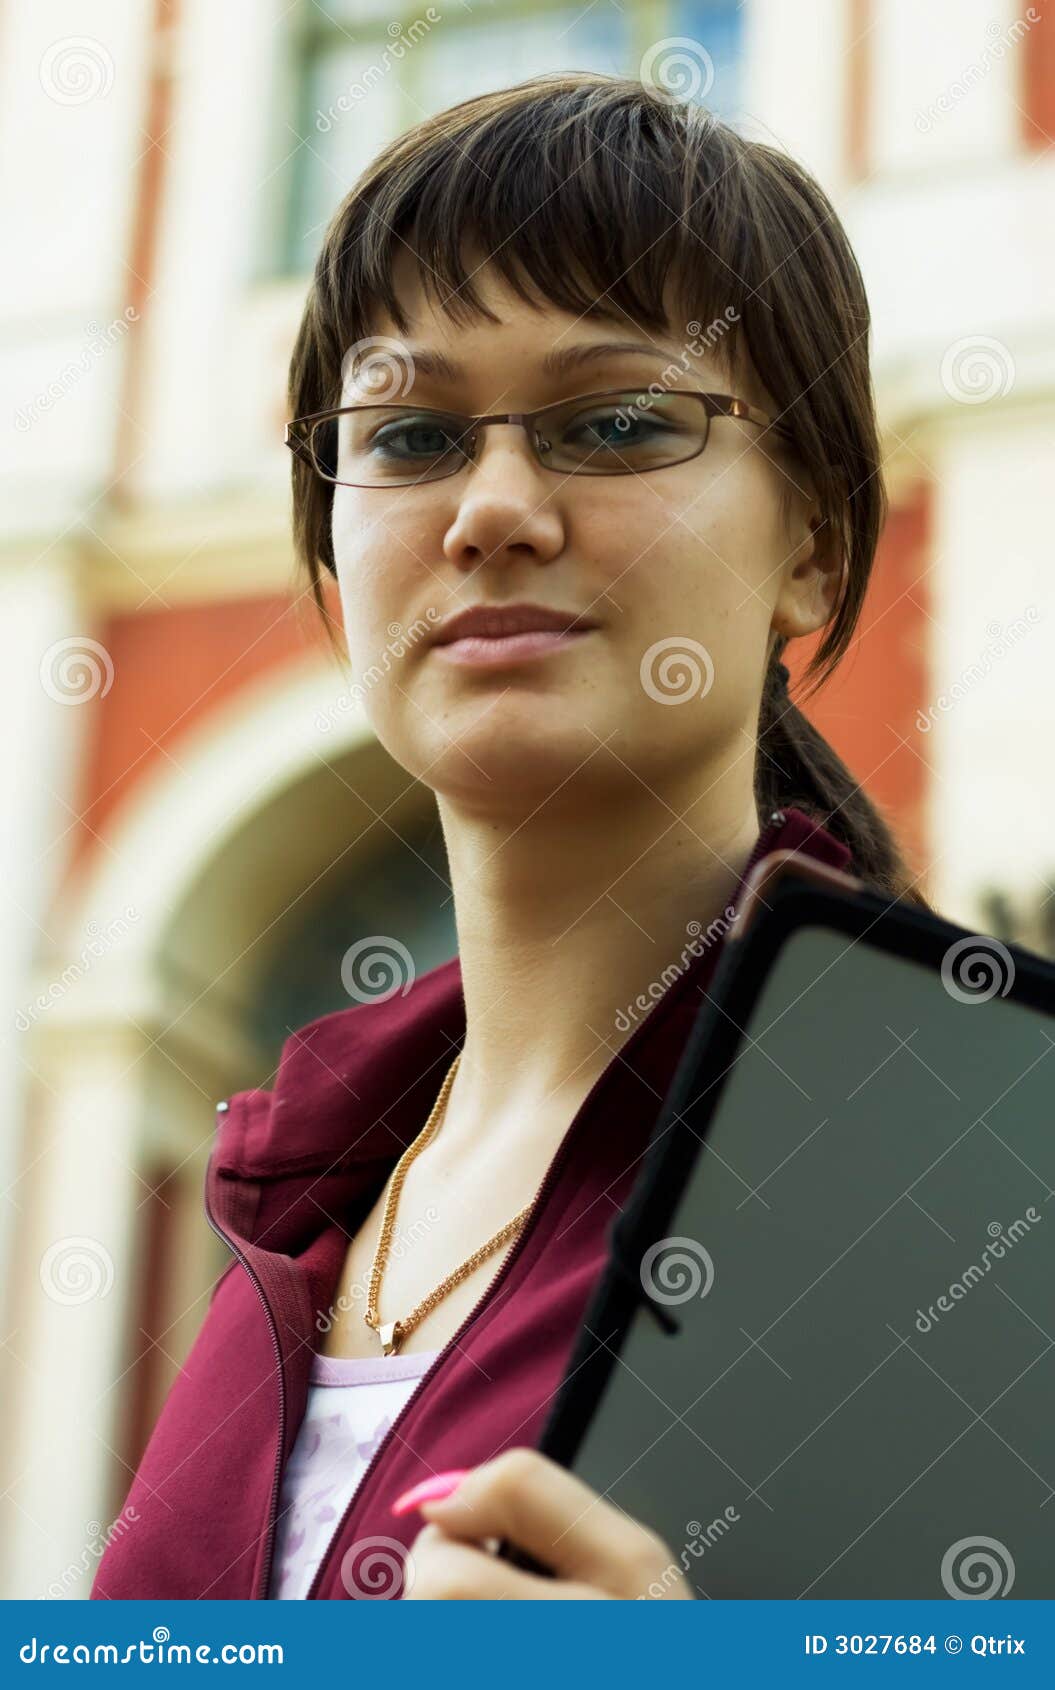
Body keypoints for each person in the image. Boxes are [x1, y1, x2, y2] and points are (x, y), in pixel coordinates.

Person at [92, 71, 929, 1602]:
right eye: (409, 435)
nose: (492, 509)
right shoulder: (300, 1197)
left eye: (614, 422)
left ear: (810, 541)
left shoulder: (959, 1157)